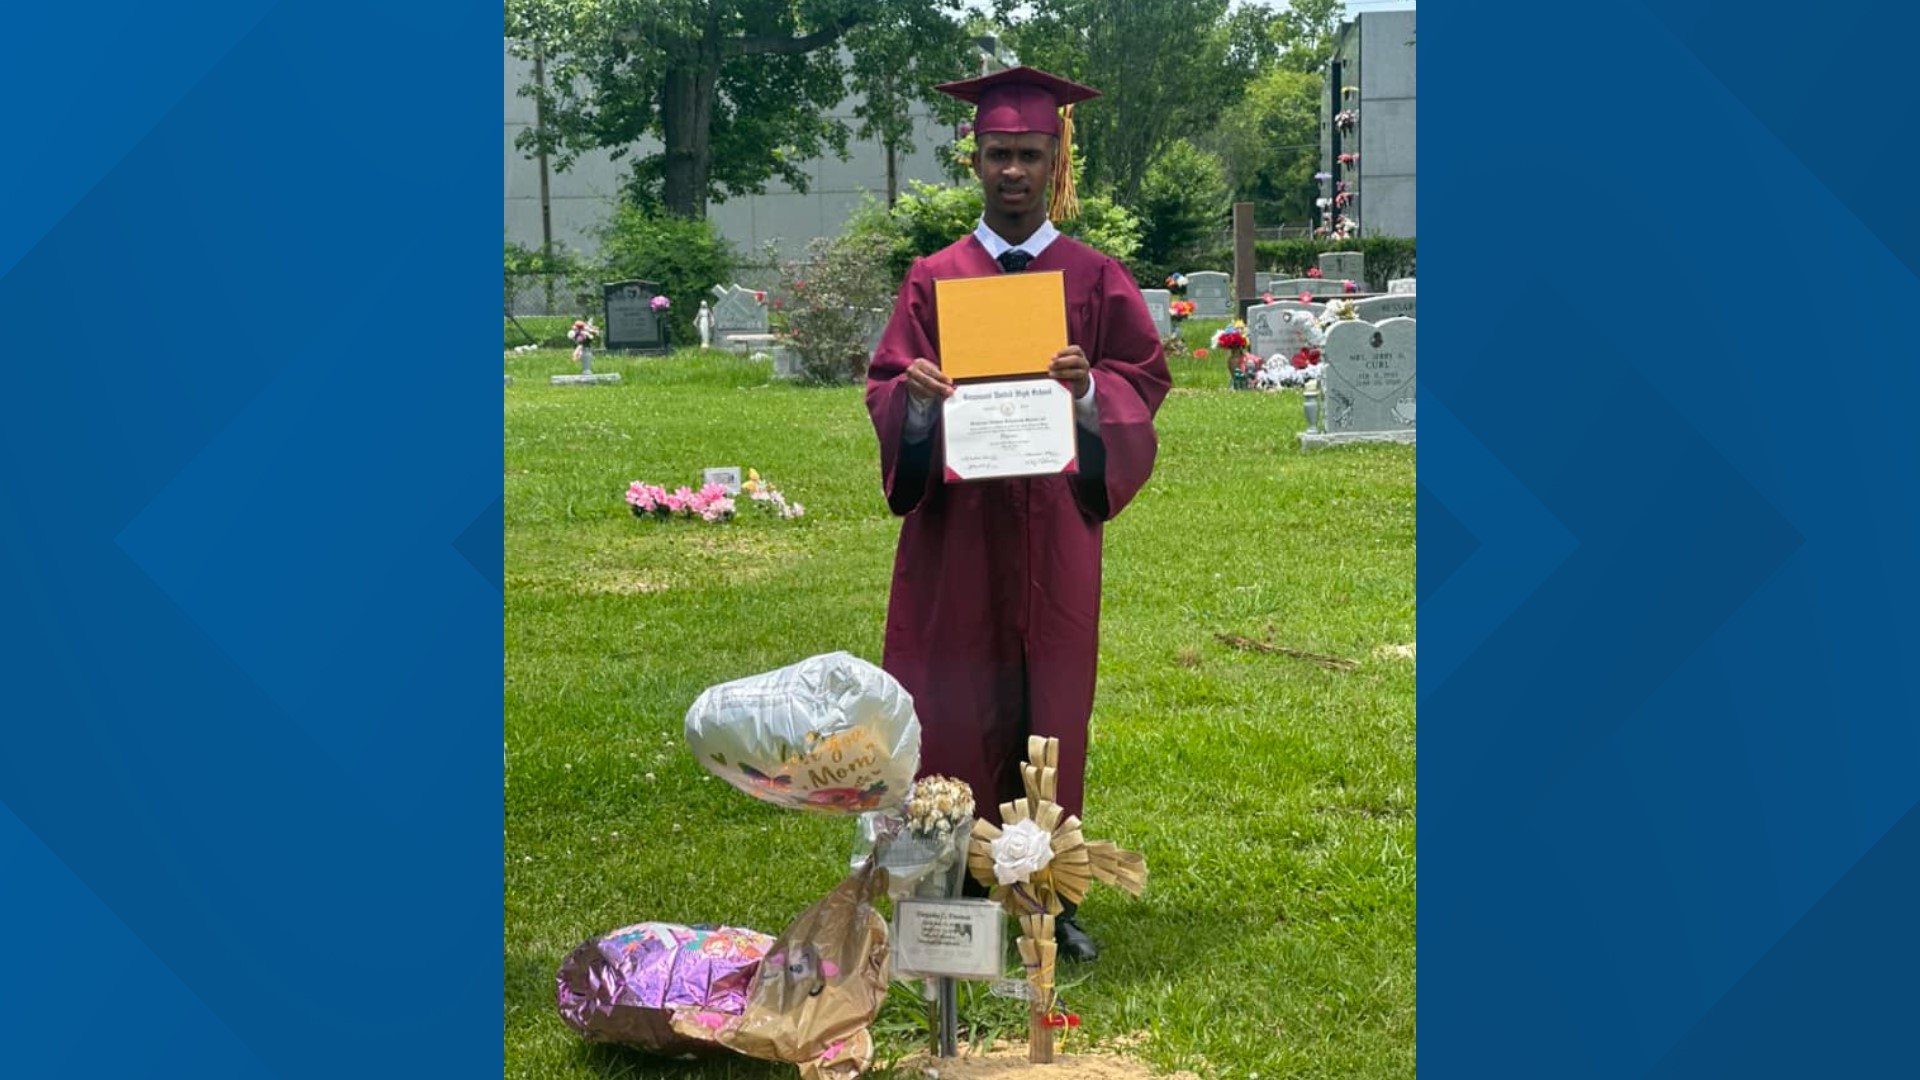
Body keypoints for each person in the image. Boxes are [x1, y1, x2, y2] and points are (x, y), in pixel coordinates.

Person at [863, 66, 1170, 963]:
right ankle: (950, 878)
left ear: (1054, 161)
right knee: (953, 685)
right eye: (996, 153)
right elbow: (888, 385)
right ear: (975, 158)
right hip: (957, 529)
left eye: (1028, 154)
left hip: (1053, 531)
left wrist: (1086, 395)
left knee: (1051, 701)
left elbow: (1142, 380)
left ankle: (1045, 891)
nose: (1010, 170)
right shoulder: (934, 278)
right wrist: (915, 402)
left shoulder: (1092, 274)